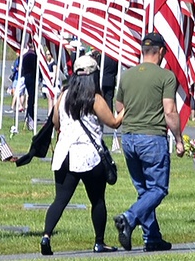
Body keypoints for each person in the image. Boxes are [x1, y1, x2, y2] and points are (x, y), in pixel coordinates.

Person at [102, 33, 179, 252]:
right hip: (152, 137)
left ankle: (152, 238)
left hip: (128, 138)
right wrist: (179, 139)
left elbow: (119, 107)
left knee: (144, 191)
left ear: (143, 51)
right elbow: (170, 111)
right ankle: (128, 217)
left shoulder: (127, 75)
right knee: (158, 189)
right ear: (161, 52)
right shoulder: (166, 76)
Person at [37, 57, 117, 255]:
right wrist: (124, 112)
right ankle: (99, 242)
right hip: (89, 156)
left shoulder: (63, 96)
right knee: (97, 200)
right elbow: (113, 122)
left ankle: (46, 236)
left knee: (60, 200)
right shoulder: (94, 98)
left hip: (64, 154)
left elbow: (55, 121)